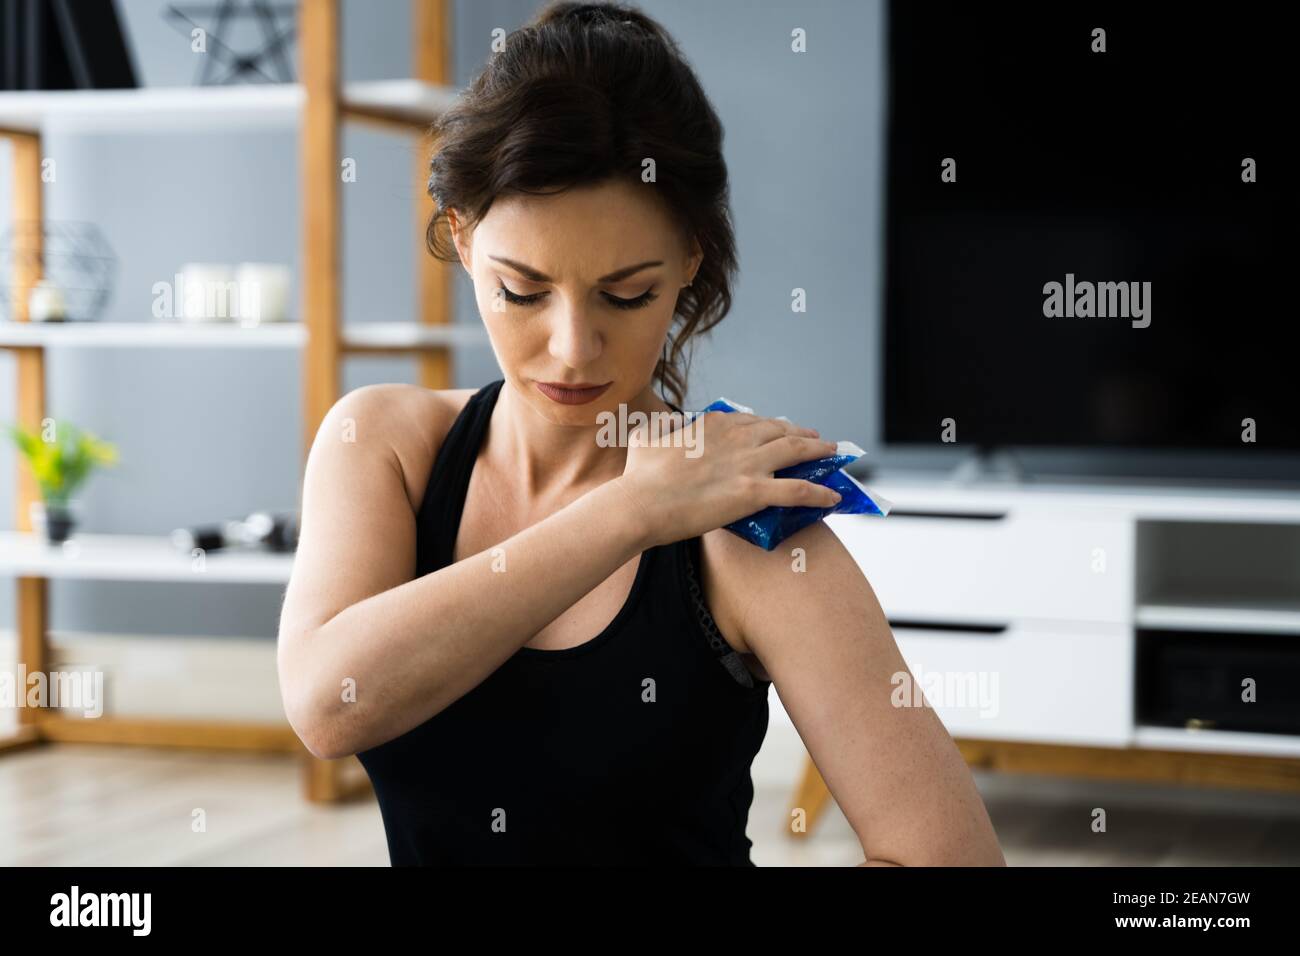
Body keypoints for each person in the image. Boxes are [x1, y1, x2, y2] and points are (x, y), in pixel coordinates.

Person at [277, 0, 1005, 867]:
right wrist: (633, 511)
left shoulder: (748, 528)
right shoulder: (385, 445)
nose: (573, 349)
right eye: (523, 290)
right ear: (464, 240)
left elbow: (950, 859)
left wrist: (666, 512)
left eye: (627, 295)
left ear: (691, 262)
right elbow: (330, 705)